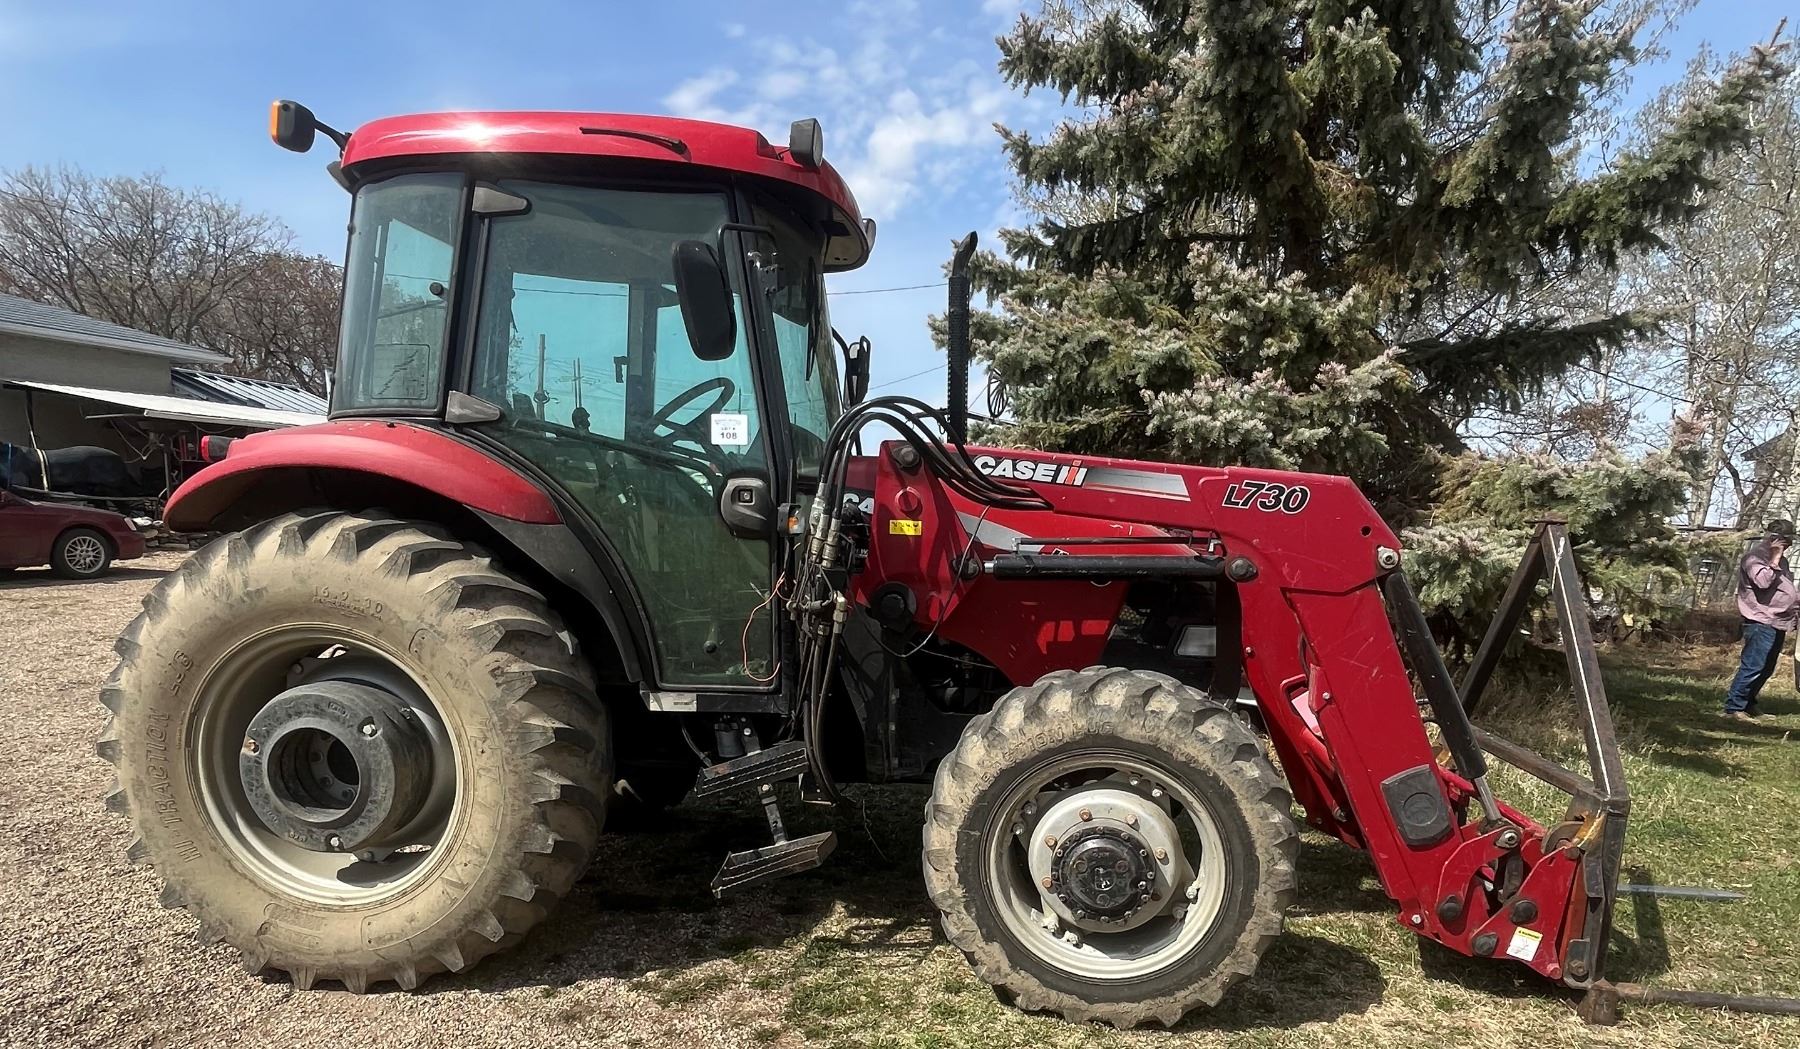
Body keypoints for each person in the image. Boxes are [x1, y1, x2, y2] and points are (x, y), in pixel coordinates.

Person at [1725, 519, 1797, 722]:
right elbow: (1763, 582)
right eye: (1787, 541)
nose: (1790, 545)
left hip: (1777, 621)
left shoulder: (1781, 560)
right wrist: (1774, 557)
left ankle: (1748, 704)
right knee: (1753, 665)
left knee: (1767, 667)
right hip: (1760, 620)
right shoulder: (1754, 557)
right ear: (1776, 539)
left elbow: (1785, 588)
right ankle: (1733, 708)